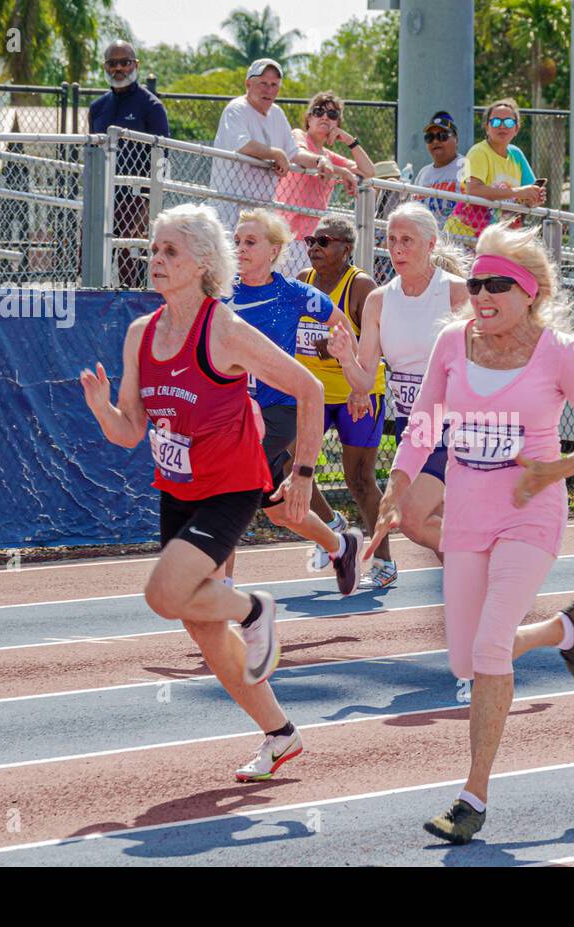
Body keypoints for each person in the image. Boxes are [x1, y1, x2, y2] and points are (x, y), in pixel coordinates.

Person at [347, 222, 574, 844]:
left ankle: (471, 798)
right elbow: (423, 422)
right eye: (475, 282)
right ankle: (561, 630)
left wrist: (558, 467)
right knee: (466, 657)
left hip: (531, 513)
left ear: (528, 292)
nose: (481, 294)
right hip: (469, 515)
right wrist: (396, 488)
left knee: (486, 651)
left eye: (497, 284)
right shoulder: (453, 343)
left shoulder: (557, 352)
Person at [78, 203, 319, 782]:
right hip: (179, 489)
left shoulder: (226, 330)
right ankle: (280, 735)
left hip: (232, 486)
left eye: (170, 252)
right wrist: (102, 410)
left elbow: (309, 389)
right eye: (154, 250)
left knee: (164, 594)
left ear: (203, 263)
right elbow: (131, 431)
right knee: (201, 627)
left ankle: (255, 607)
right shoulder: (141, 334)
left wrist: (304, 476)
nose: (156, 261)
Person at [220, 208, 364, 594]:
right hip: (233, 410)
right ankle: (340, 545)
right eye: (236, 241)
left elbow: (341, 324)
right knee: (280, 511)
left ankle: (222, 593)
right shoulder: (221, 291)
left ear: (274, 250)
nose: (240, 248)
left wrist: (340, 348)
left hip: (278, 409)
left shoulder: (290, 292)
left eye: (250, 242)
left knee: (227, 487)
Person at [327, 202, 469, 572]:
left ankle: (482, 556)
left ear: (431, 244)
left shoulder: (456, 294)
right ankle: (477, 593)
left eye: (407, 240)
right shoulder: (379, 301)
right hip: (413, 428)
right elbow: (364, 380)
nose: (397, 249)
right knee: (434, 525)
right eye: (391, 240)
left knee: (411, 517)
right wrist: (345, 357)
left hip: (455, 426)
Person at [293, 213, 396, 587]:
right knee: (290, 464)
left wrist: (343, 365)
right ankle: (333, 525)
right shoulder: (302, 282)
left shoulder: (360, 287)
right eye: (311, 241)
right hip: (314, 394)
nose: (315, 248)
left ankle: (383, 562)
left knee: (359, 480)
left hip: (357, 393)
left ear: (346, 248)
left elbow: (374, 344)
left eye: (325, 241)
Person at [208, 58, 328, 239]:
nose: (269, 89)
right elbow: (243, 144)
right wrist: (275, 153)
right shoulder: (236, 109)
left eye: (274, 84)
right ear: (248, 84)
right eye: (263, 83)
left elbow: (293, 152)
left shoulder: (277, 114)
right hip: (229, 209)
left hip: (260, 215)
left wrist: (319, 160)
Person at [88, 40, 170, 287]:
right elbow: (91, 152)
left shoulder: (151, 106)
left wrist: (148, 201)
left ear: (136, 65)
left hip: (136, 199)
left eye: (125, 62)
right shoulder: (97, 108)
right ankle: (92, 313)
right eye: (113, 64)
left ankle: (132, 316)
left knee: (129, 261)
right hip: (102, 197)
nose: (119, 68)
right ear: (105, 67)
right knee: (90, 257)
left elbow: (163, 157)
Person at [276, 91, 375, 277]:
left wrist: (349, 140)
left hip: (312, 241)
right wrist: (341, 170)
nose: (324, 117)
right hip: (287, 235)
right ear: (309, 118)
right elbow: (301, 156)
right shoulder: (299, 136)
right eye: (319, 111)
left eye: (332, 115)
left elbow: (368, 171)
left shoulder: (329, 157)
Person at [444, 99, 545, 241]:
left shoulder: (516, 155)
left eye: (508, 122)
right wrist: (518, 192)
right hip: (465, 237)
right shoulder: (479, 152)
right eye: (496, 122)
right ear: (487, 127)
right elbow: (473, 190)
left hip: (498, 239)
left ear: (516, 128)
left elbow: (527, 193)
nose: (502, 126)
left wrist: (533, 198)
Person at [414, 110, 467, 229]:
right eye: (430, 137)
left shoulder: (466, 166)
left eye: (442, 136)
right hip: (425, 240)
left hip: (457, 241)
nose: (435, 141)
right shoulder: (423, 173)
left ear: (456, 139)